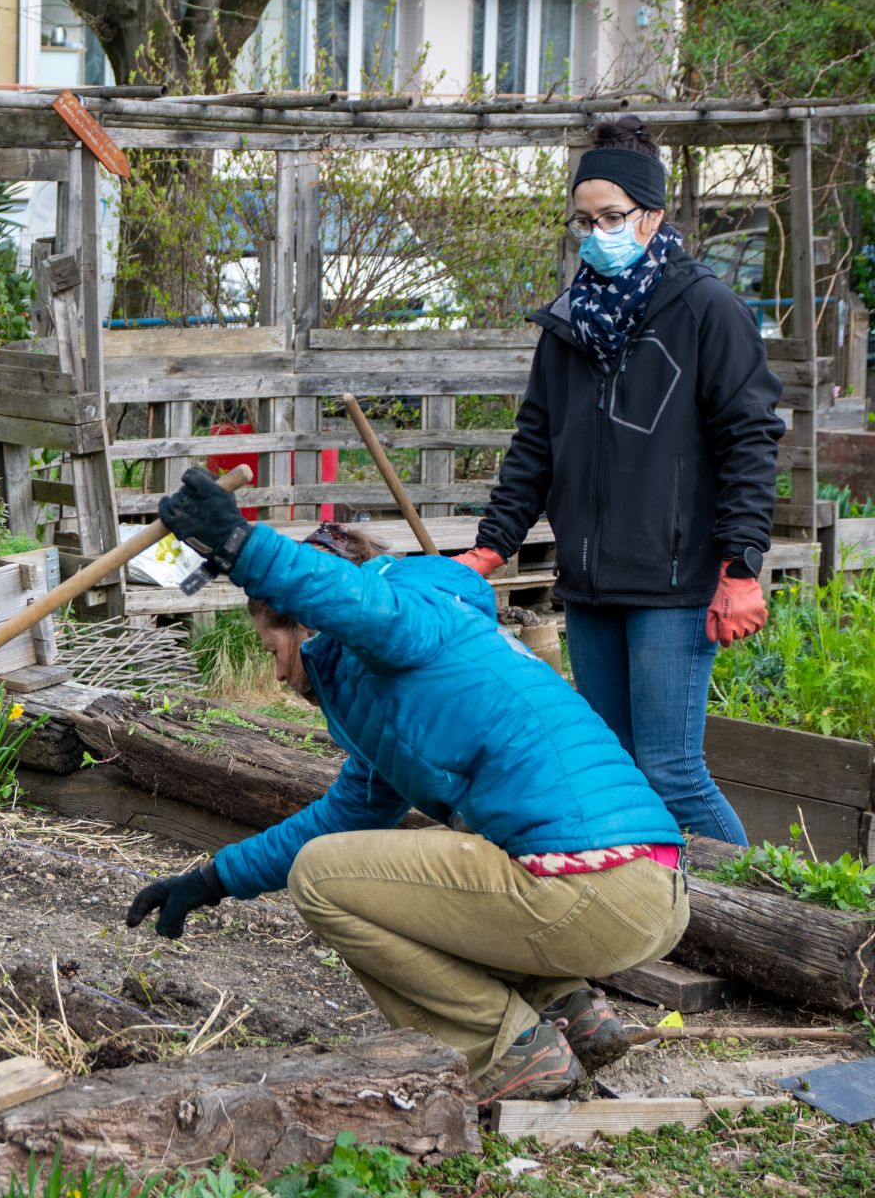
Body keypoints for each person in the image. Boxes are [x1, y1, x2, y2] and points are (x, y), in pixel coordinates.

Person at [128, 471, 690, 1104]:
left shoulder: (404, 620)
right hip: (646, 885)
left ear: (306, 623)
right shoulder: (401, 686)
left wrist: (239, 545)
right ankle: (567, 1011)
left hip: (586, 885)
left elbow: (365, 606)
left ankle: (503, 1053)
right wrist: (213, 880)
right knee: (390, 865)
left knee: (320, 878)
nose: (277, 671)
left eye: (271, 646)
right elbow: (341, 819)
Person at [455, 116, 784, 845]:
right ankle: (658, 919)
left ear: (654, 215)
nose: (596, 232)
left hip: (676, 581)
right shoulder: (573, 322)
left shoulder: (706, 310)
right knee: (612, 767)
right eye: (584, 220)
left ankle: (766, 909)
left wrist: (741, 565)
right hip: (592, 583)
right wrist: (489, 546)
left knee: (670, 770)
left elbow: (751, 439)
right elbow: (536, 441)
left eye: (613, 217)